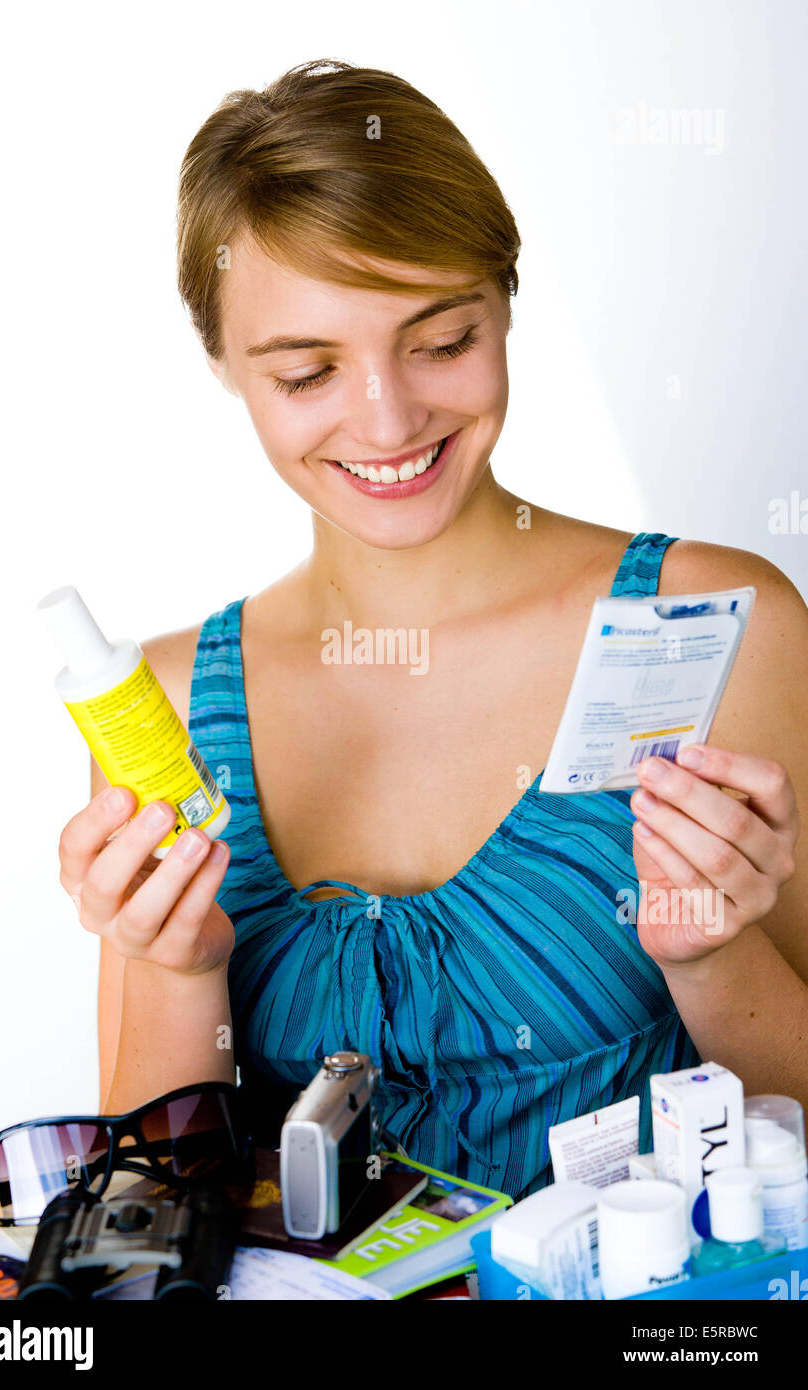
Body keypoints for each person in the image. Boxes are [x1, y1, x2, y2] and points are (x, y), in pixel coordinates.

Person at [58, 59, 807, 1198]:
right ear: (225, 367)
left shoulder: (708, 628)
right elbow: (147, 1221)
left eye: (442, 341)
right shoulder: (157, 706)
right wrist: (178, 970)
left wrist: (710, 961)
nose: (390, 416)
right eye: (308, 370)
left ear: (503, 302)